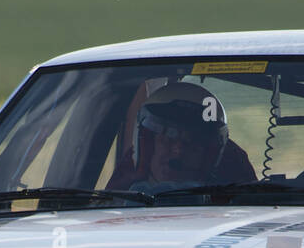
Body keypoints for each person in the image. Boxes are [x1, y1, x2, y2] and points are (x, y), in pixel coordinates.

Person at [107, 81, 254, 193]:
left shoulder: (234, 204)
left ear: (210, 157)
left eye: (192, 145)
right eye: (166, 140)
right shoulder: (116, 199)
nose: (178, 152)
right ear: (147, 147)